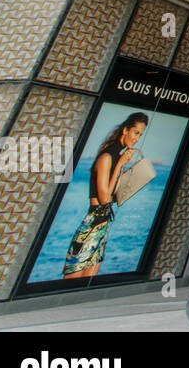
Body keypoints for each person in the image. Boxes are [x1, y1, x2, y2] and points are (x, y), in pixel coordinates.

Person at [63, 112, 147, 278]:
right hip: (93, 222)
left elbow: (114, 195)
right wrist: (120, 165)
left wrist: (125, 168)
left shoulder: (117, 158)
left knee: (87, 283)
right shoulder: (107, 157)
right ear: (125, 130)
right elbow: (105, 199)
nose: (137, 139)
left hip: (103, 225)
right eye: (136, 133)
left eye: (140, 135)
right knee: (72, 281)